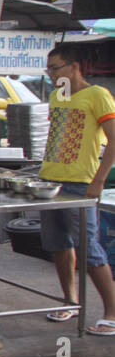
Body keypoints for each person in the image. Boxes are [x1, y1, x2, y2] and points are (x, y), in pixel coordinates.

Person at [38, 45, 115, 333]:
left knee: (89, 249)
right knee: (59, 244)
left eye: (56, 68)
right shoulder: (56, 96)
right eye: (48, 70)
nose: (52, 75)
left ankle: (111, 313)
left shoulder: (98, 95)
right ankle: (69, 300)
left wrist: (98, 180)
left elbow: (113, 141)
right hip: (50, 181)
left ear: (74, 67)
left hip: (80, 183)